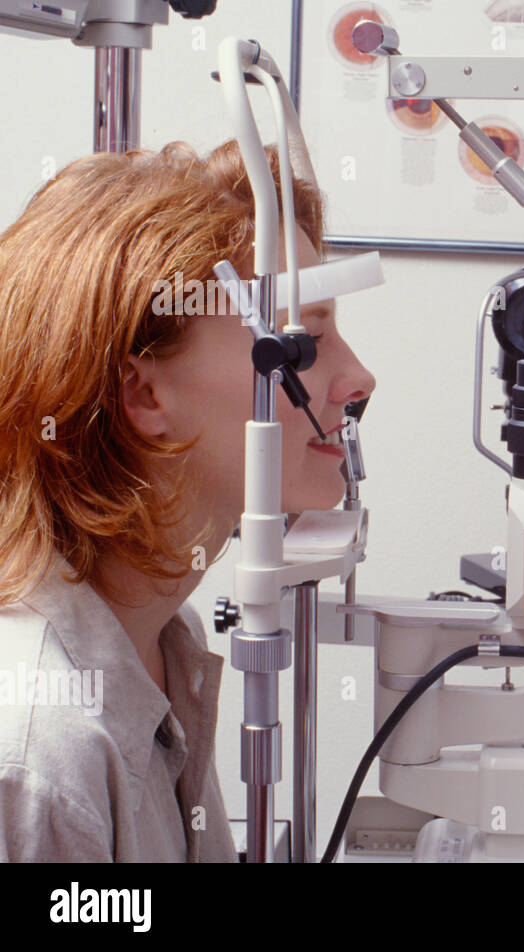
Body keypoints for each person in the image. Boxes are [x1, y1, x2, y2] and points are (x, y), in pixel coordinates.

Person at [0, 140, 376, 861]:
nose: (359, 377)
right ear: (144, 392)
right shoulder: (43, 753)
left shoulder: (164, 635)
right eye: (305, 342)